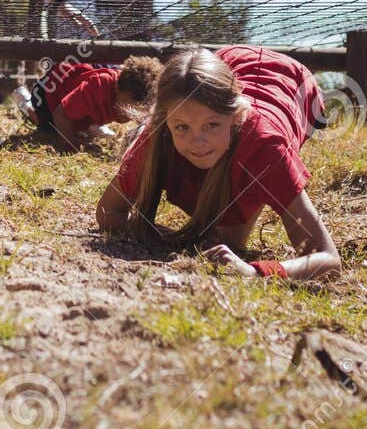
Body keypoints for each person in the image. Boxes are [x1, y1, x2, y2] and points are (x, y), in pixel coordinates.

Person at [94, 46, 341, 282]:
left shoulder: (266, 149)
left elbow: (327, 258)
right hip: (230, 61)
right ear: (165, 121)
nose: (198, 141)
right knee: (217, 238)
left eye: (212, 125)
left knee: (231, 241)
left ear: (236, 117)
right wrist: (166, 237)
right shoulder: (157, 135)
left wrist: (256, 273)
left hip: (293, 84)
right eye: (182, 127)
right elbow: (107, 211)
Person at [18, 55, 161, 151]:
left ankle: (87, 127)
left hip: (78, 105)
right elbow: (60, 113)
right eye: (128, 107)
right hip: (48, 94)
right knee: (50, 129)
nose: (130, 115)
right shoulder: (98, 87)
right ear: (117, 88)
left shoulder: (137, 95)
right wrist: (69, 145)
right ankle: (24, 103)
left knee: (77, 125)